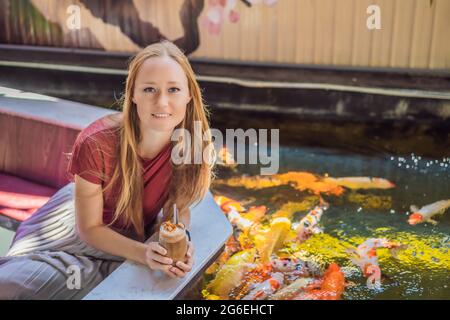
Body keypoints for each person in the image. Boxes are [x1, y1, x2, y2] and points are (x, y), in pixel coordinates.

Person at [0, 40, 215, 299]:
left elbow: (177, 211)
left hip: (130, 238)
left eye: (173, 89)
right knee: (11, 286)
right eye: (149, 89)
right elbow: (89, 228)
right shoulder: (96, 143)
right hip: (74, 233)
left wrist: (180, 243)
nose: (162, 102)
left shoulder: (193, 143)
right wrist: (144, 253)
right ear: (133, 94)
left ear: (189, 95)